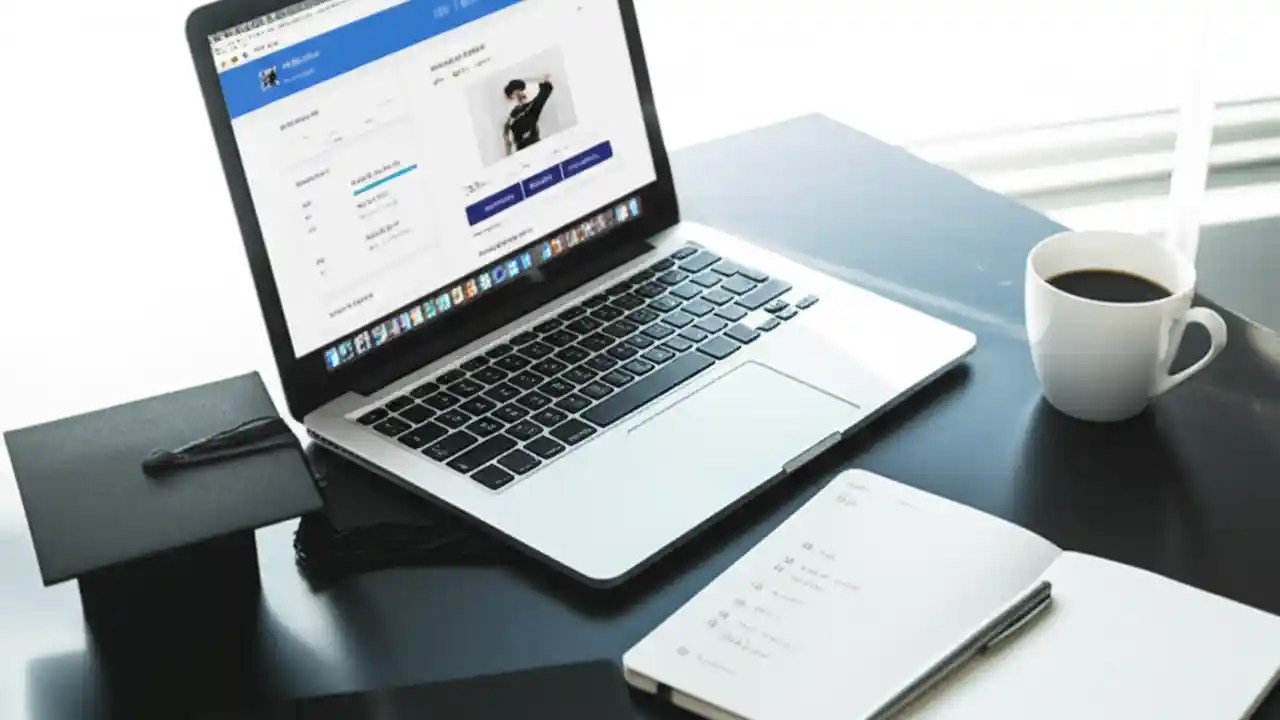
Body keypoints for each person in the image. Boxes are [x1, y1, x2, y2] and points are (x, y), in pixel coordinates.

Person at [503, 74, 554, 155]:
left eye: (522, 92)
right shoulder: (515, 115)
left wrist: (544, 81)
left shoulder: (528, 109)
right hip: (525, 150)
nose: (523, 95)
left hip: (533, 148)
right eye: (517, 93)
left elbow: (546, 90)